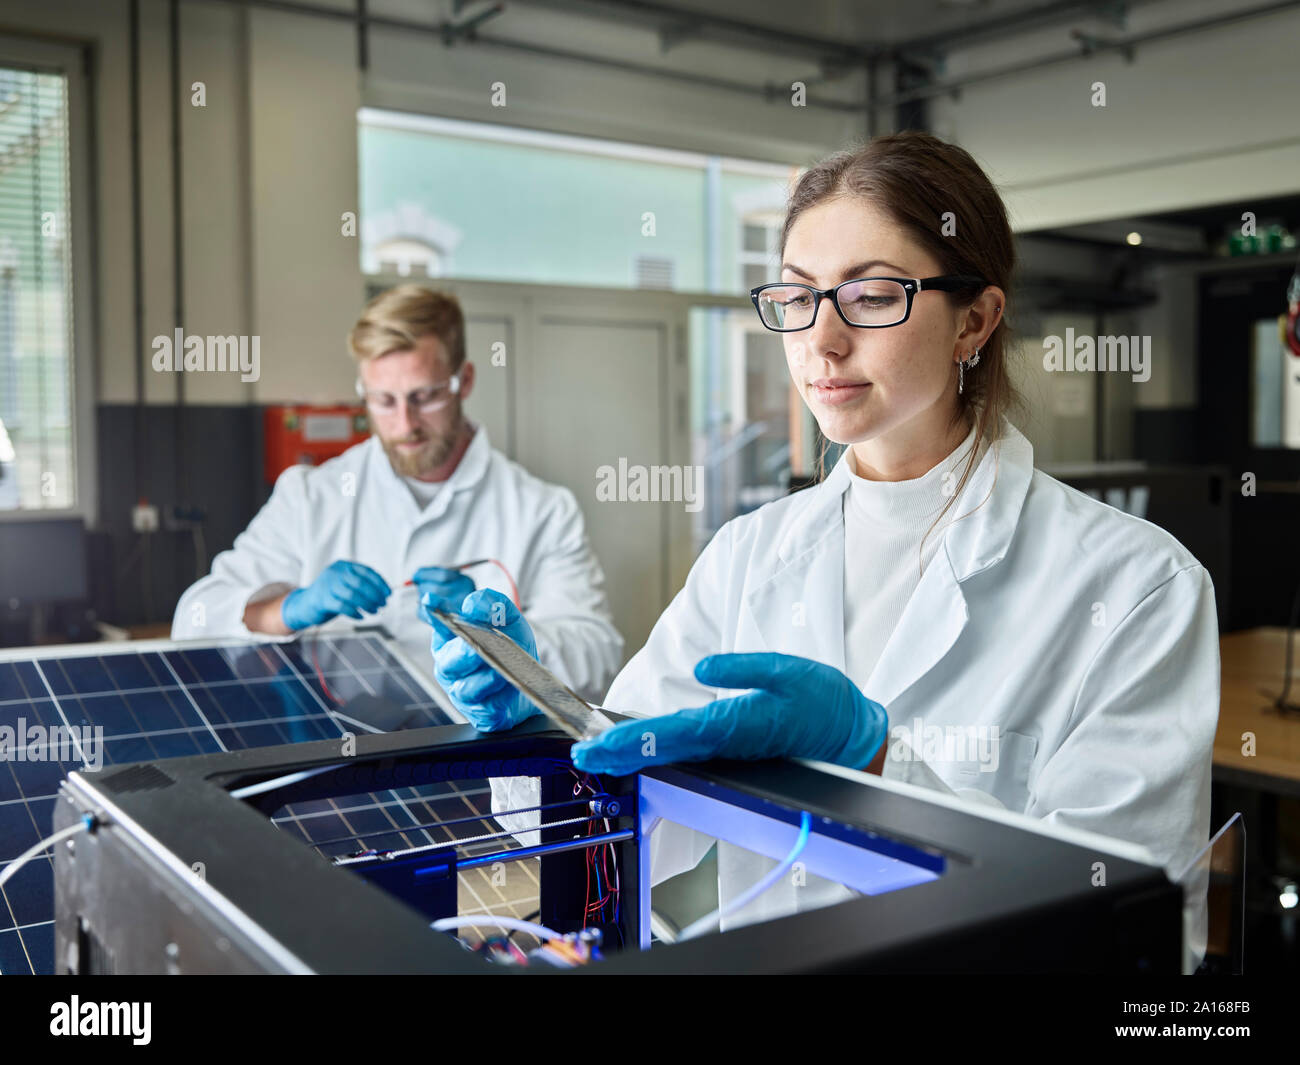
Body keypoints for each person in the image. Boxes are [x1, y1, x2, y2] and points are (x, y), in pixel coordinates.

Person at [420, 133, 1219, 974]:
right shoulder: (749, 556)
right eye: (798, 298)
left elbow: (1139, 936)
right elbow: (612, 829)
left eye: (870, 296)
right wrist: (543, 732)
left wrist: (877, 760)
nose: (822, 341)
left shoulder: (1138, 587)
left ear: (974, 321)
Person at [172, 284, 622, 704]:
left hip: (481, 770)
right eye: (383, 401)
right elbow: (193, 622)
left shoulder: (542, 510)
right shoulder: (311, 496)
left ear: (463, 381)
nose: (405, 424)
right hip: (336, 766)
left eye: (424, 397)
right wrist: (288, 609)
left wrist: (493, 635)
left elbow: (597, 655)